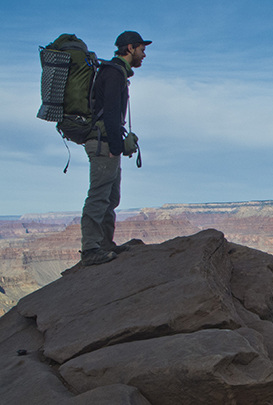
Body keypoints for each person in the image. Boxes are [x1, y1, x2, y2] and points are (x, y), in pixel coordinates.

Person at [79, 31, 151, 266]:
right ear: (129, 48)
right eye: (141, 49)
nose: (144, 54)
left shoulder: (115, 72)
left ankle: (105, 244)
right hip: (103, 143)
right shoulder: (113, 73)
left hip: (106, 141)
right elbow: (110, 112)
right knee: (99, 196)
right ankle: (90, 249)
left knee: (111, 197)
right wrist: (116, 147)